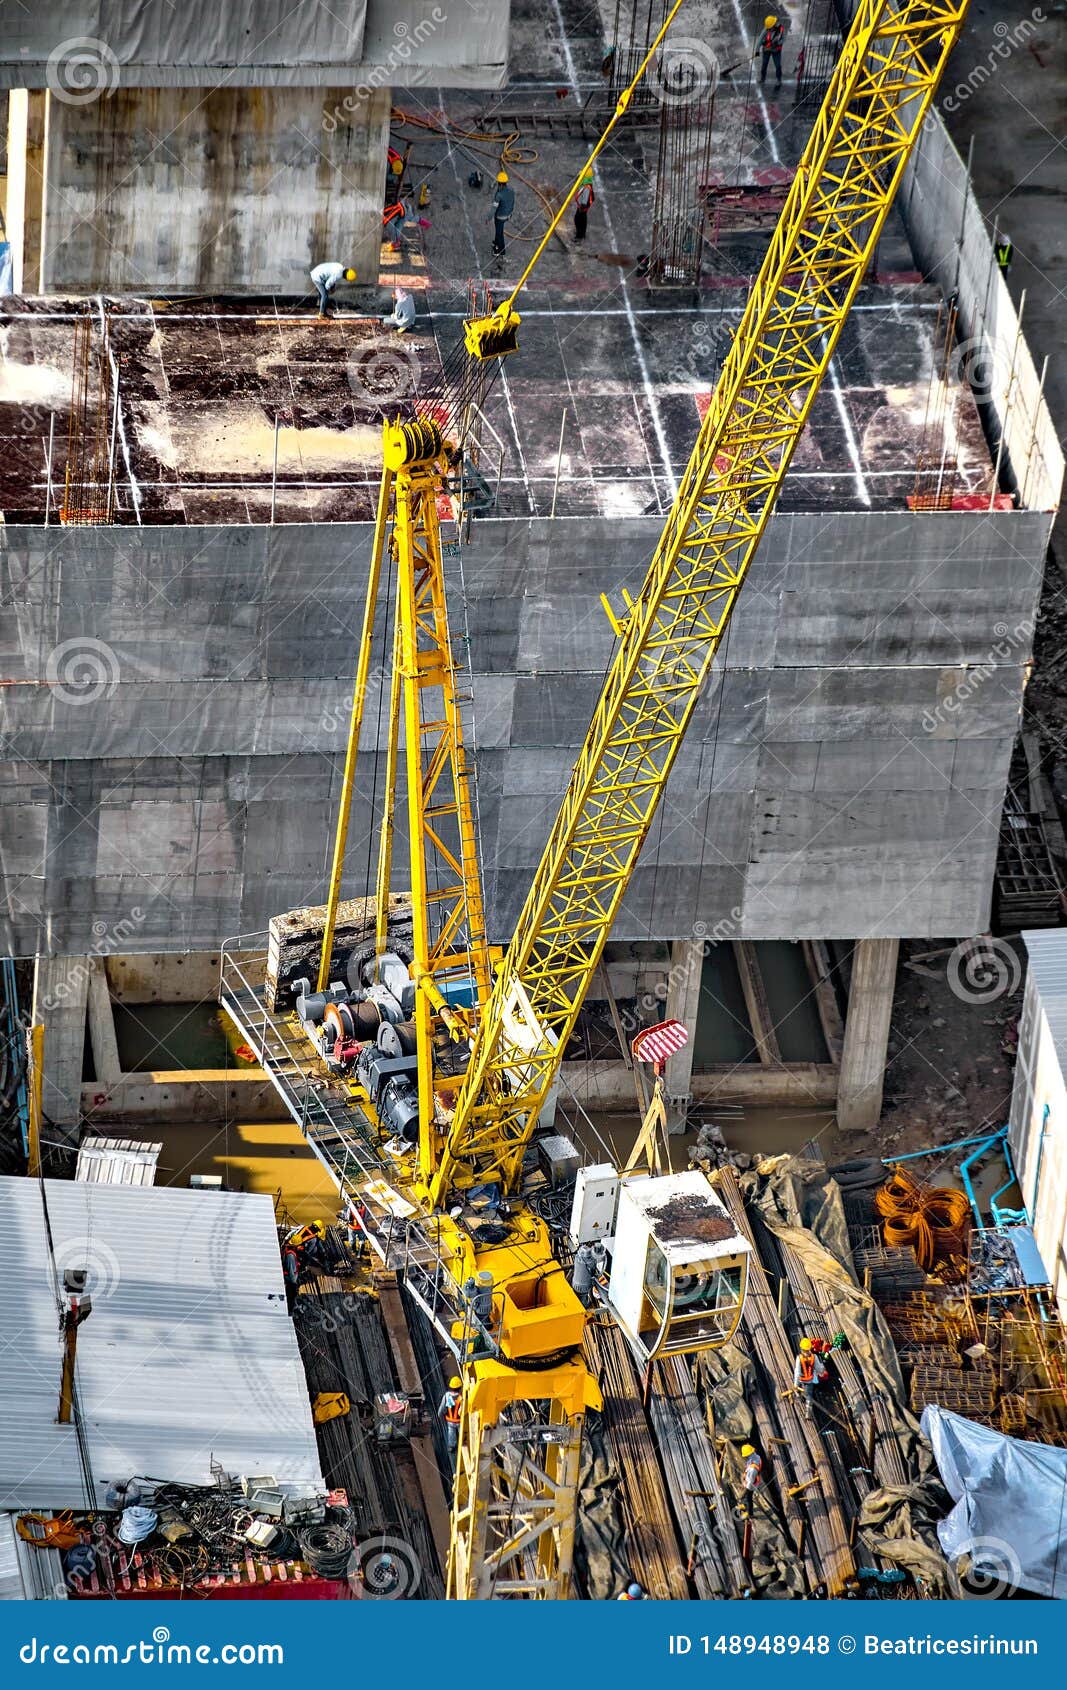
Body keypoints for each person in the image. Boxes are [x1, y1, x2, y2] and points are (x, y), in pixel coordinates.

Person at [794, 1336, 828, 1407]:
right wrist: (822, 1371)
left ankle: (798, 1398)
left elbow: (797, 1373)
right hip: (810, 1380)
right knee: (809, 1395)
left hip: (801, 1380)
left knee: (798, 1391)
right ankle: (808, 1412)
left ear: (801, 1348)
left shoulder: (799, 1358)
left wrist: (796, 1385)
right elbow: (819, 1369)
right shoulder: (814, 1356)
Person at [755, 15, 785, 88]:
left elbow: (783, 39)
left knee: (778, 65)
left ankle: (779, 80)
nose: (769, 29)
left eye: (770, 28)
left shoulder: (780, 30)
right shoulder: (766, 30)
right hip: (766, 50)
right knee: (764, 64)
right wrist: (757, 51)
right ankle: (762, 78)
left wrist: (778, 42)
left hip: (776, 50)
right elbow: (760, 40)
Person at [490, 170, 515, 256]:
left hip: (500, 217)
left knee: (499, 233)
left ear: (500, 183)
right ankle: (496, 242)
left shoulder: (499, 195)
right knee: (499, 232)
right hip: (508, 215)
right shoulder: (511, 190)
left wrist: (488, 218)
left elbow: (494, 208)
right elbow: (512, 202)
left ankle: (499, 250)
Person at [439, 1375, 463, 1456]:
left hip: (450, 1421)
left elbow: (442, 1408)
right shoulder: (461, 1398)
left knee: (451, 1433)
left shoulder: (447, 1396)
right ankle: (463, 1442)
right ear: (460, 1387)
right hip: (459, 1422)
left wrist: (440, 1415)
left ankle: (451, 1446)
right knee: (462, 1432)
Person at [740, 1442, 762, 1519]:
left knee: (748, 1498)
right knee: (745, 1497)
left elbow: (751, 1479)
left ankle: (750, 1514)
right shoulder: (756, 1457)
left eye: (746, 1455)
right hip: (752, 1480)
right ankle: (744, 1505)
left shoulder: (753, 1468)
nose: (745, 1457)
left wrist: (747, 1488)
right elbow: (749, 1466)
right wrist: (745, 1473)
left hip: (752, 1483)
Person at [573, 174, 594, 242]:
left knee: (578, 220)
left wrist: (581, 208)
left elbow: (584, 201)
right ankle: (582, 234)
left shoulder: (586, 188)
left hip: (582, 208)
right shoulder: (586, 185)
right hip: (582, 207)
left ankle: (579, 236)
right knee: (582, 220)